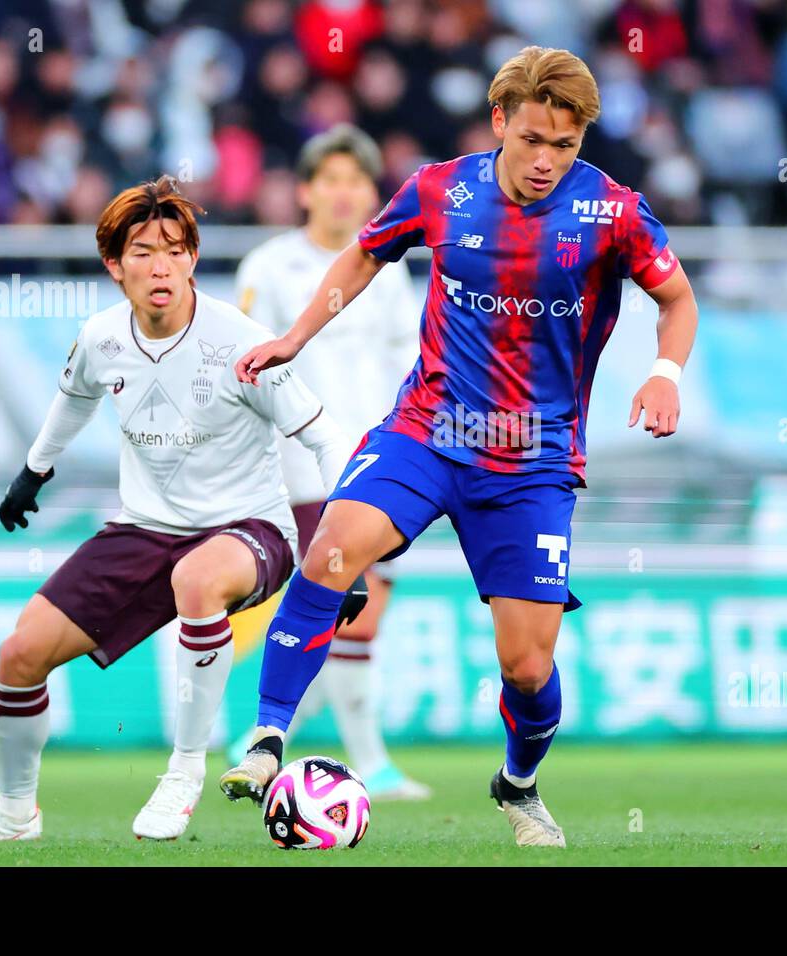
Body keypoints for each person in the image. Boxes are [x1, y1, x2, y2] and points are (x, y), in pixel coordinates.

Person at [220, 46, 699, 848]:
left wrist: (663, 373)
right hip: (427, 430)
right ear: (500, 121)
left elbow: (676, 299)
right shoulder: (443, 189)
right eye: (533, 140)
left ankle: (517, 784)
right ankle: (268, 740)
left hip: (534, 460)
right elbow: (366, 252)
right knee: (333, 550)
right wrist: (295, 337)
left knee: (528, 667)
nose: (547, 161)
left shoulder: (612, 211)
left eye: (566, 145)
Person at [0, 175, 354, 842]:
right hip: (146, 527)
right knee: (18, 657)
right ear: (114, 264)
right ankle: (14, 814)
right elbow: (73, 400)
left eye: (176, 250)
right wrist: (33, 473)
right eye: (144, 251)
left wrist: (337, 549)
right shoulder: (102, 338)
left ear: (192, 258)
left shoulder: (241, 343)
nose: (161, 266)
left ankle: (184, 771)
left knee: (197, 579)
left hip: (250, 527)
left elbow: (326, 439)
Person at [233, 124, 429, 800]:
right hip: (307, 464)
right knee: (351, 604)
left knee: (357, 614)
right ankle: (367, 760)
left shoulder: (391, 269)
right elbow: (248, 367)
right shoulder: (269, 267)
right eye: (332, 180)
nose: (346, 195)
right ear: (306, 190)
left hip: (386, 460)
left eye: (358, 182)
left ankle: (263, 736)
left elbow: (411, 362)